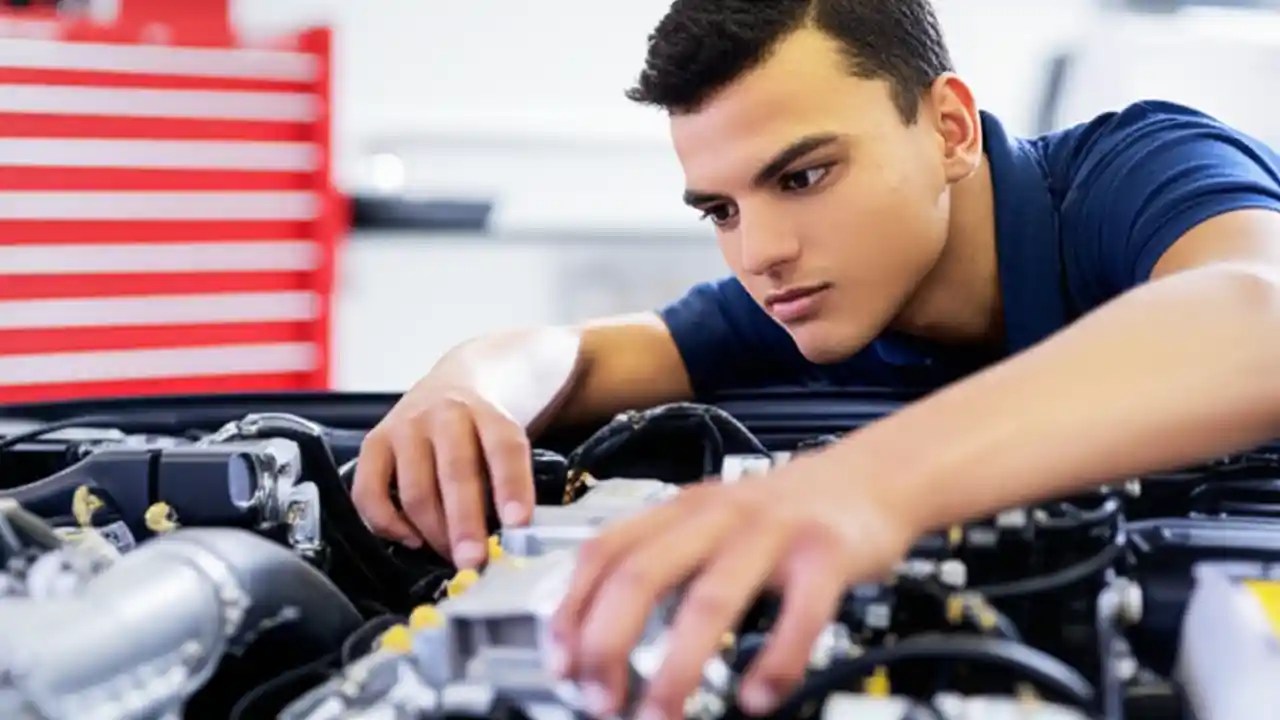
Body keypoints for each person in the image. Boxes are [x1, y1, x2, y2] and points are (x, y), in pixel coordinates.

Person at [353, 0, 1280, 717]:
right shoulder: (822, 297)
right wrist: (463, 383)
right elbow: (586, 356)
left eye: (803, 178)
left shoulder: (1140, 170)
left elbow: (1258, 317)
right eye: (721, 210)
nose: (759, 253)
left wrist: (865, 482)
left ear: (950, 130)